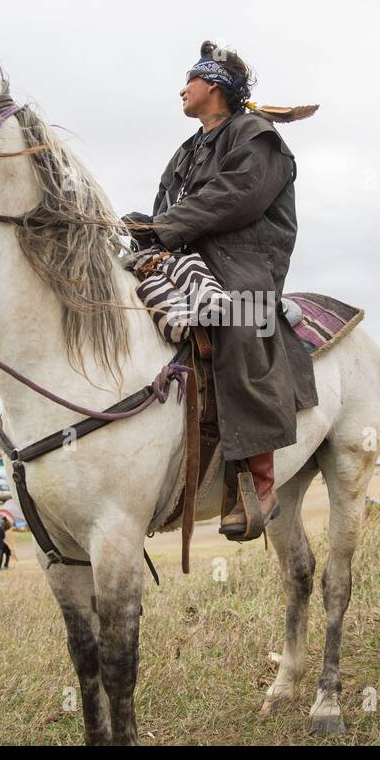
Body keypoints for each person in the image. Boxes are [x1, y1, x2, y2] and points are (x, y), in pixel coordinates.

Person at [122, 41, 318, 543]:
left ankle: (256, 483)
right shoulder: (186, 150)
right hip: (186, 257)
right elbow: (167, 205)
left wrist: (164, 227)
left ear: (212, 85)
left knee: (237, 322)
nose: (181, 89)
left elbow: (236, 196)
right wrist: (147, 229)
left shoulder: (258, 136)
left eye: (189, 80)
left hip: (245, 263)